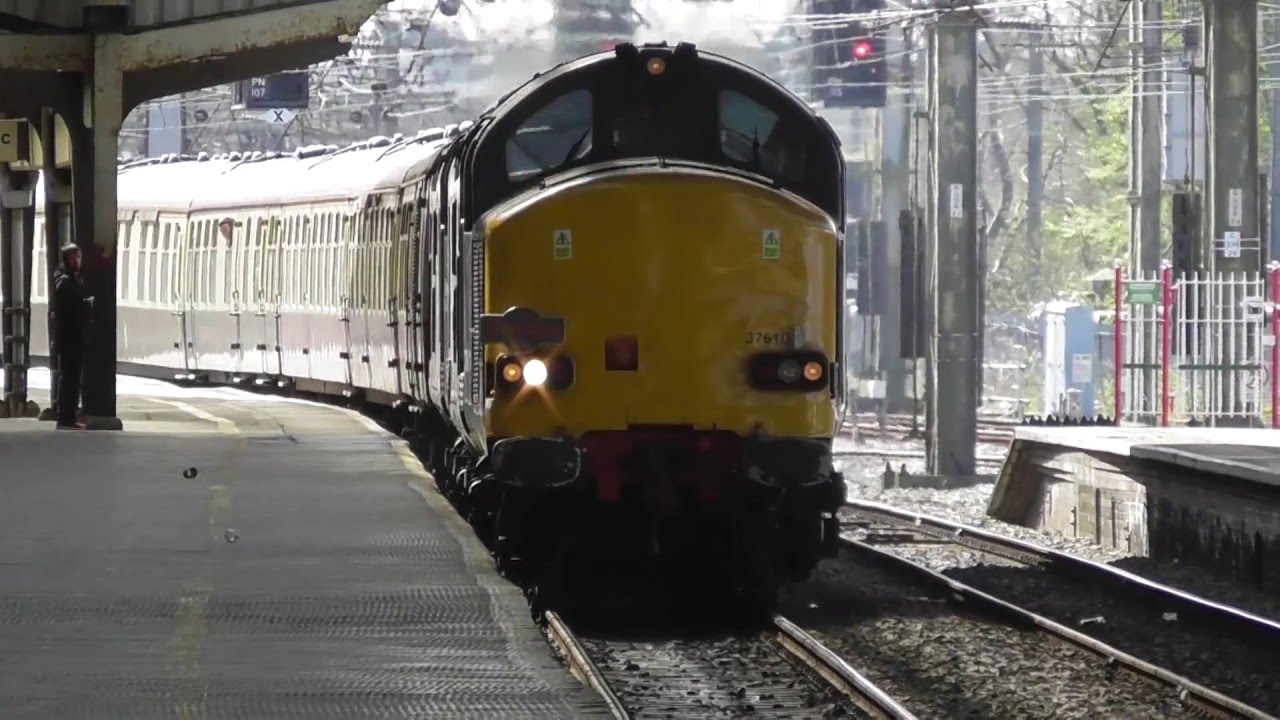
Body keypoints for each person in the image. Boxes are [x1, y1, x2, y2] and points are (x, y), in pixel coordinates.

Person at [51, 241, 92, 429]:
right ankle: (66, 417)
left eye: (78, 256)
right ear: (66, 259)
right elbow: (71, 306)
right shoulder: (64, 281)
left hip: (73, 338)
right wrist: (87, 304)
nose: (76, 260)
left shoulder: (71, 278)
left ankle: (69, 415)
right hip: (69, 338)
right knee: (69, 379)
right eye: (73, 257)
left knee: (72, 379)